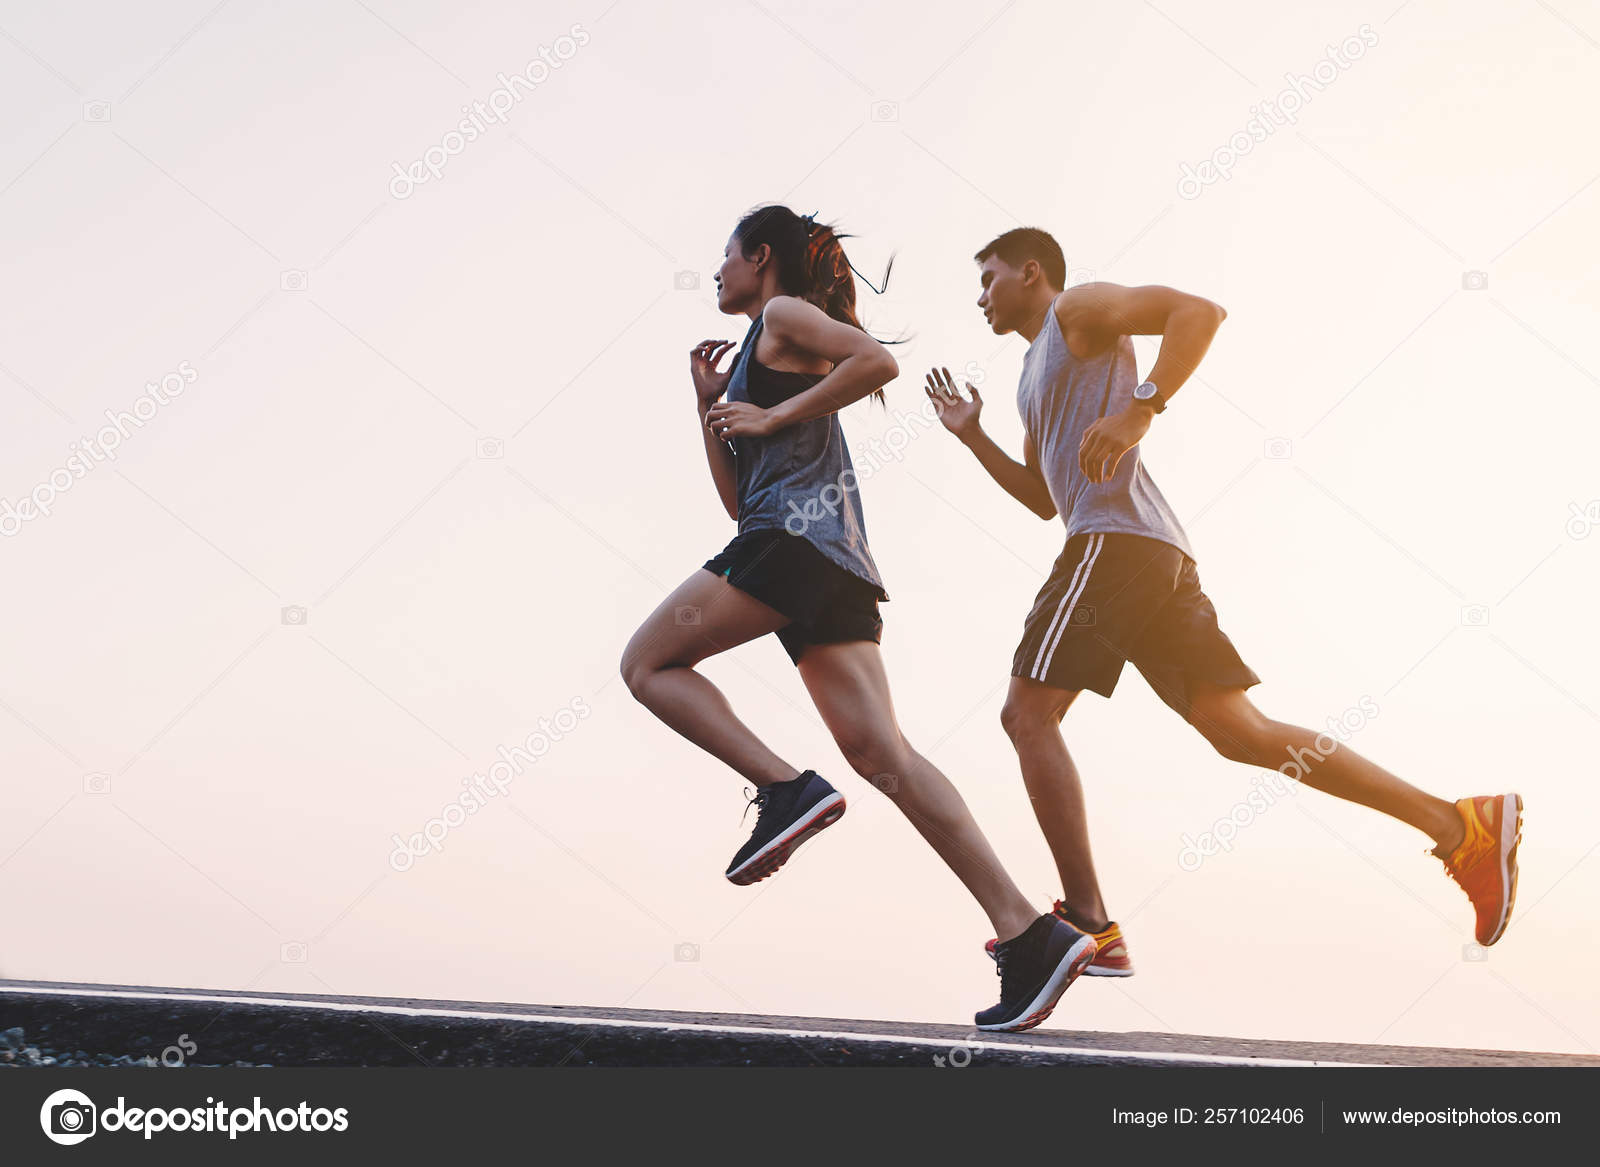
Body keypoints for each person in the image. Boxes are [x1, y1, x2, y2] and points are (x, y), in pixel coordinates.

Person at [925, 226, 1521, 973]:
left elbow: (1198, 312)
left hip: (1116, 544)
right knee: (1238, 730)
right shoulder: (1028, 376)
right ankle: (1460, 825)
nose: (980, 296)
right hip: (1146, 549)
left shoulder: (1077, 310)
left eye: (987, 278)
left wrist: (1142, 409)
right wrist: (972, 435)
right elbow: (1044, 499)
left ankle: (1091, 923)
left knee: (1026, 713)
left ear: (1030, 271)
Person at [621, 206, 1094, 1031]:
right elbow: (741, 501)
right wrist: (713, 409)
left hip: (796, 549)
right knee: (887, 757)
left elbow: (876, 363)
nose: (719, 273)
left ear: (760, 257)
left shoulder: (783, 313)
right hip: (821, 561)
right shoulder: (751, 359)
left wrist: (769, 415)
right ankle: (1029, 933)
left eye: (726, 258)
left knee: (647, 665)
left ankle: (783, 787)